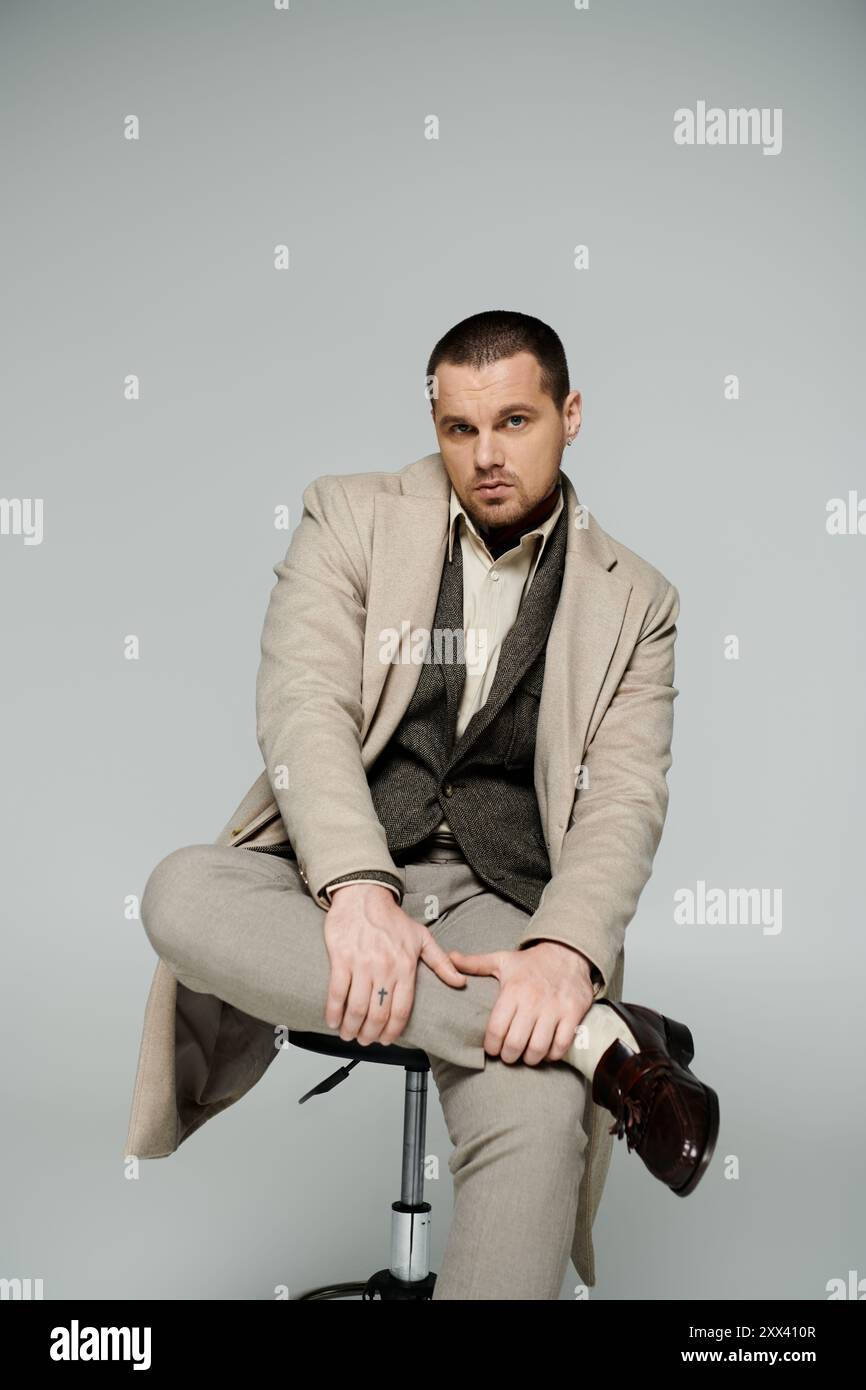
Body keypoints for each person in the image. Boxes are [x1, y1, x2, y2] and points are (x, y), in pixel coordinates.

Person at [126, 309, 719, 1300]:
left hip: (506, 905)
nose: (485, 456)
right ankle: (601, 1040)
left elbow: (621, 795)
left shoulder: (636, 599)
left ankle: (562, 1015)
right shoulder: (348, 514)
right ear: (434, 423)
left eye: (516, 422)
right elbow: (302, 704)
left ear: (570, 416)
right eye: (459, 429)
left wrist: (564, 955)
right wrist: (356, 889)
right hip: (327, 877)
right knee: (178, 896)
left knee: (533, 1119)